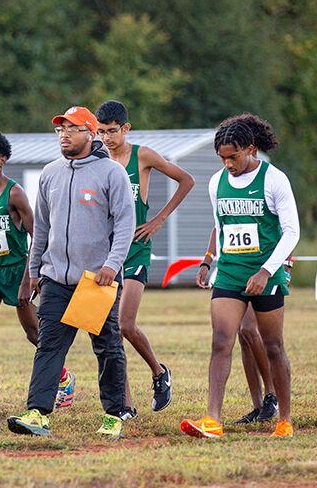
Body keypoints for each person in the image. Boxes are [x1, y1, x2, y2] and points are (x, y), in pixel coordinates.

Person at [6, 106, 133, 439]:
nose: (64, 134)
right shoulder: (50, 173)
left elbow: (125, 225)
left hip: (96, 280)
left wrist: (111, 266)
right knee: (48, 347)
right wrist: (35, 270)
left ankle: (115, 413)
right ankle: (38, 413)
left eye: (72, 129)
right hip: (56, 280)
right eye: (60, 129)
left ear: (90, 133)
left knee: (106, 347)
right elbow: (43, 227)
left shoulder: (112, 173)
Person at [182, 113, 299, 439]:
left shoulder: (274, 179)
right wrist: (209, 261)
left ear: (250, 149)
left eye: (233, 157)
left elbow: (291, 232)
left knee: (273, 346)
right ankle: (212, 419)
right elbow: (222, 228)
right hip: (230, 273)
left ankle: (284, 419)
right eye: (222, 158)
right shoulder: (216, 182)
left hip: (266, 273)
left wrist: (266, 271)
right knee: (221, 340)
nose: (227, 164)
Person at [96, 100, 194, 417]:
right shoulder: (95, 159)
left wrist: (159, 219)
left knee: (124, 323)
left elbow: (186, 180)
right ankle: (123, 404)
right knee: (106, 329)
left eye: (112, 131)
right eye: (101, 132)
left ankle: (158, 372)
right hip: (104, 252)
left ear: (126, 128)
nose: (107, 138)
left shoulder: (142, 155)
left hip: (136, 247)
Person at [0, 129, 79, 410]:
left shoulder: (14, 193)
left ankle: (63, 378)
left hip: (17, 271)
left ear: (2, 160)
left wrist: (28, 279)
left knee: (35, 334)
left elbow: (38, 236)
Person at [201, 231, 280, 425]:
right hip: (234, 270)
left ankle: (272, 394)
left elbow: (287, 228)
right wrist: (207, 260)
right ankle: (258, 405)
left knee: (248, 330)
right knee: (242, 337)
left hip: (261, 268)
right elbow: (217, 226)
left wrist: (286, 265)